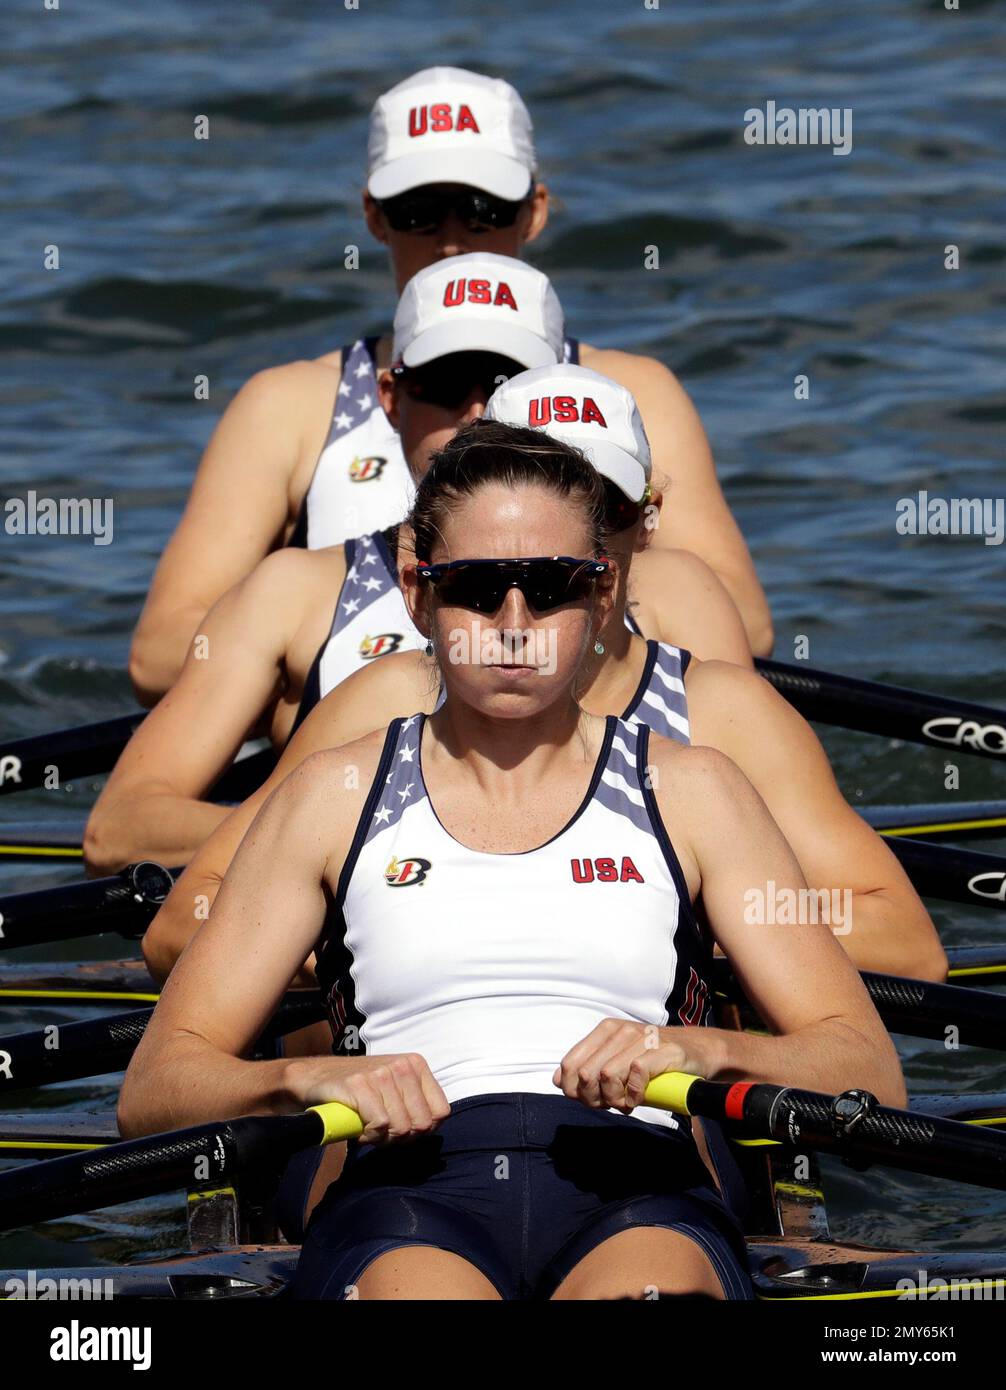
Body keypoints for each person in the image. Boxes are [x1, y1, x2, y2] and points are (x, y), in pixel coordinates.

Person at [119, 425, 904, 1302]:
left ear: (603, 599)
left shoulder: (697, 792)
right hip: (407, 1190)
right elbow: (156, 1086)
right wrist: (306, 1076)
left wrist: (699, 1048)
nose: (515, 625)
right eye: (479, 589)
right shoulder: (332, 794)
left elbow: (866, 1068)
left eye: (555, 586)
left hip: (637, 1186)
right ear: (418, 598)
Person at [141, 403, 946, 985]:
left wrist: (683, 917)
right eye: (501, 559)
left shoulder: (726, 713)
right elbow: (188, 920)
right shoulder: (382, 699)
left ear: (645, 524)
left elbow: (904, 944)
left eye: (606, 513)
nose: (552, 551)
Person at [129, 66, 772, 706]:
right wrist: (320, 658)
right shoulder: (285, 407)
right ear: (374, 219)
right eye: (419, 212)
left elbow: (742, 625)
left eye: (483, 208)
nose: (453, 241)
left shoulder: (637, 392)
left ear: (535, 212)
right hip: (360, 728)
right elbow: (161, 657)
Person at [84, 273, 751, 874]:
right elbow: (119, 832)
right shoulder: (303, 600)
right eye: (441, 383)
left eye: (495, 386)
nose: (466, 411)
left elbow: (763, 828)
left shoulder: (679, 593)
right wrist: (335, 841)